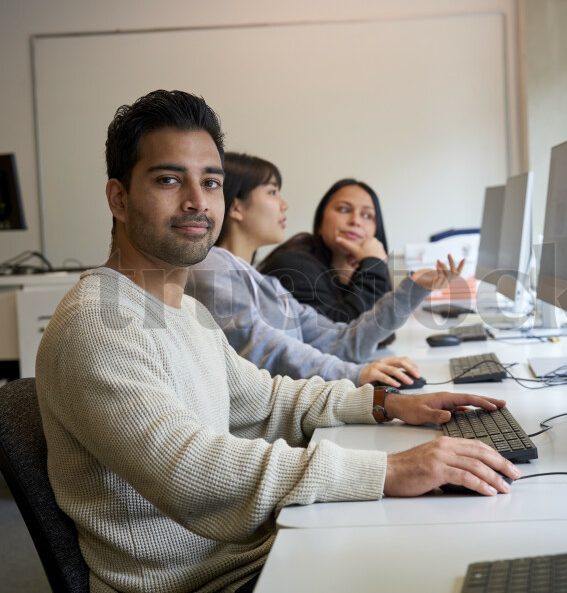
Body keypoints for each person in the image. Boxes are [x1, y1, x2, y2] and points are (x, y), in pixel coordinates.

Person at [36, 90, 520, 593]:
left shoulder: (182, 309)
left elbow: (270, 400)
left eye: (211, 182)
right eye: (168, 179)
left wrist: (389, 405)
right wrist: (387, 470)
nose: (197, 201)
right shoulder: (97, 324)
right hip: (199, 582)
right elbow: (190, 470)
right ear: (118, 197)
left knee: (454, 541)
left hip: (249, 553)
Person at [187, 152, 464, 388]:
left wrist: (413, 287)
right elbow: (260, 346)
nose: (285, 204)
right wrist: (355, 374)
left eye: (367, 216)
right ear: (235, 206)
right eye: (272, 192)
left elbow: (342, 340)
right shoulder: (210, 266)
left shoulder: (269, 286)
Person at [257, 178, 392, 323]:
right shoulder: (295, 262)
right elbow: (347, 335)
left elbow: (386, 333)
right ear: (320, 222)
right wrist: (374, 266)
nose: (356, 221)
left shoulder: (360, 270)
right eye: (344, 209)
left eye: (367, 216)